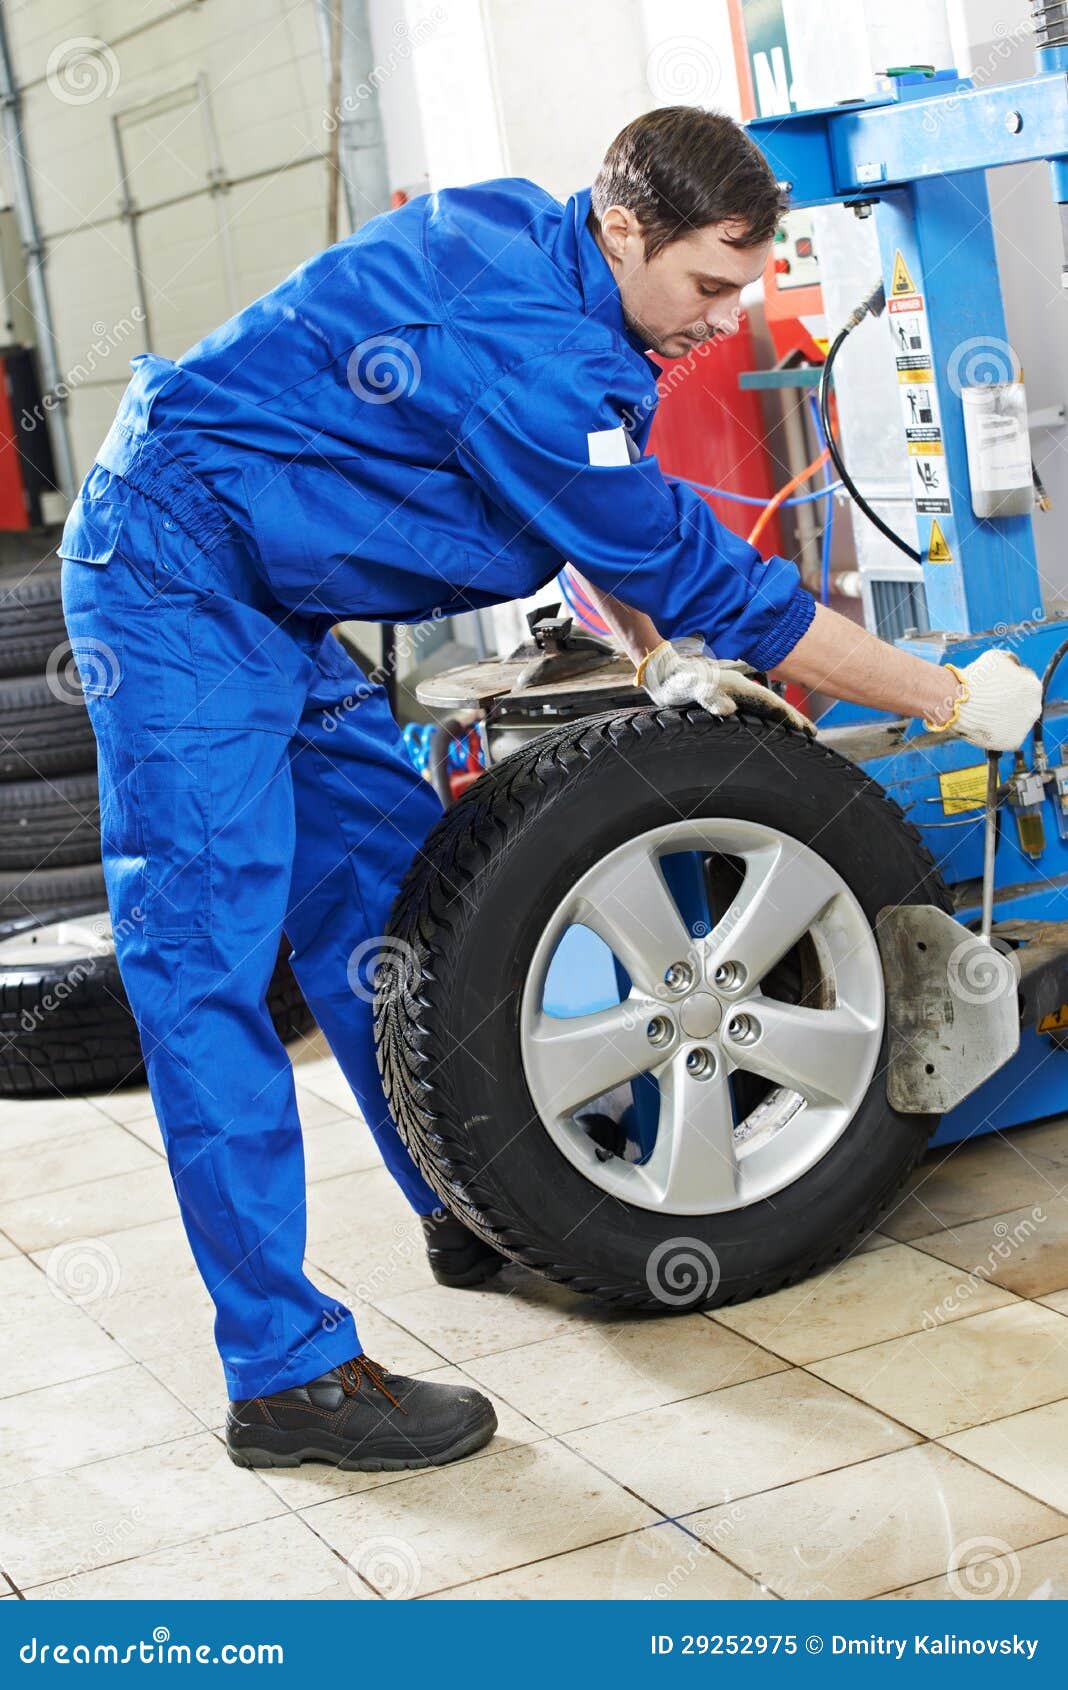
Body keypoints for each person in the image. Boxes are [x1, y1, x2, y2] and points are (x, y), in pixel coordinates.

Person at [59, 104, 1041, 1474]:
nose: (718, 320)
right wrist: (946, 694)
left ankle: (465, 1194)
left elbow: (600, 507)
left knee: (401, 905)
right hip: (180, 571)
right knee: (206, 962)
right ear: (626, 227)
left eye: (741, 289)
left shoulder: (568, 270)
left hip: (282, 590)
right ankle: (285, 1375)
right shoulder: (511, 338)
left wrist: (658, 652)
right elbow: (698, 563)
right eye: (706, 284)